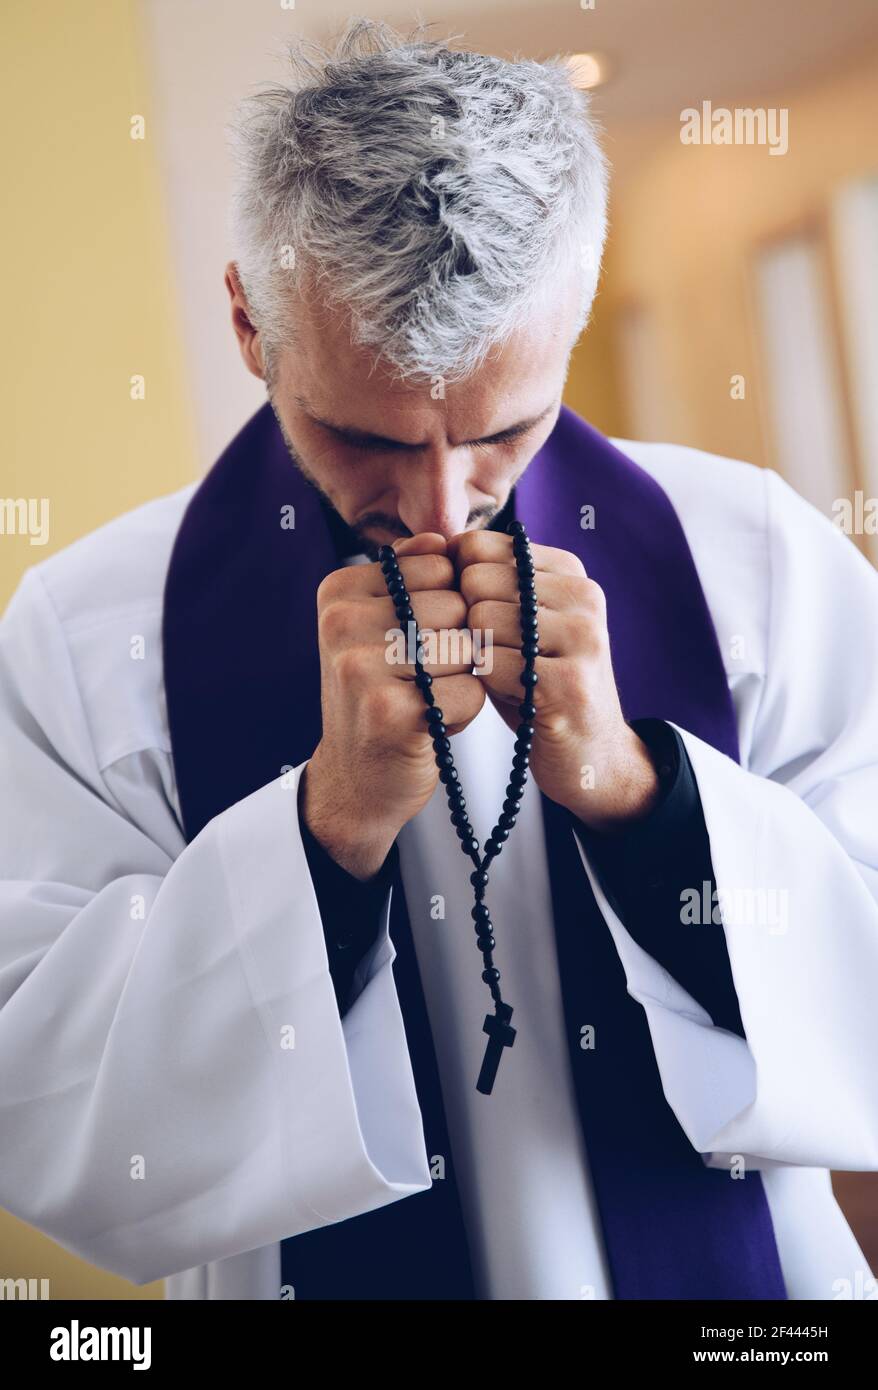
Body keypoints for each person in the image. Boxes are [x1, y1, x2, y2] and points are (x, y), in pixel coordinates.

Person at [1, 19, 876, 1301]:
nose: (437, 506)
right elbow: (45, 1089)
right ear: (251, 324)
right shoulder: (84, 633)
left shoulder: (758, 559)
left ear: (571, 319)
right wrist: (325, 827)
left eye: (502, 428)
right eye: (365, 437)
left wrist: (644, 800)